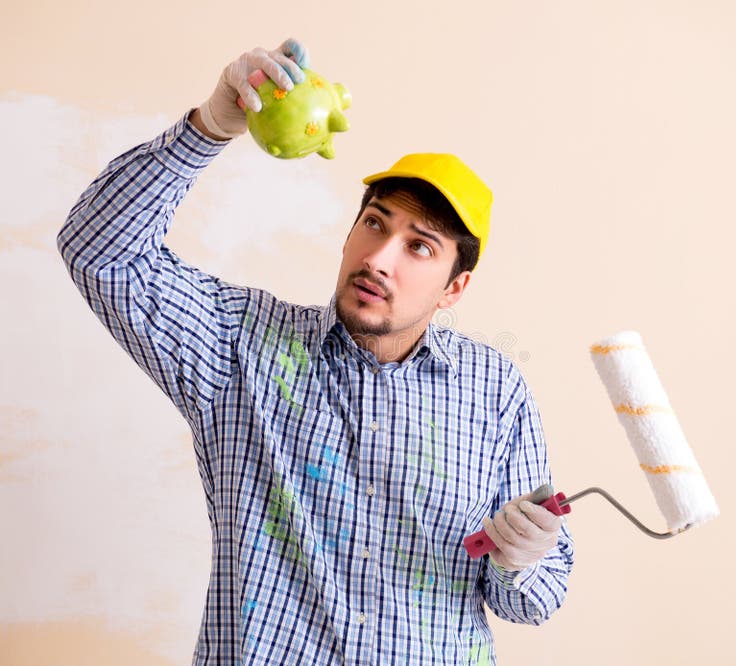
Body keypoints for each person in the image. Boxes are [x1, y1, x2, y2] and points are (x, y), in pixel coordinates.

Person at [57, 38, 574, 666]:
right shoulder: (240, 344)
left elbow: (537, 599)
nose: (379, 259)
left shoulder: (496, 392)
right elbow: (97, 249)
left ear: (454, 288)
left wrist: (522, 560)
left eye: (420, 247)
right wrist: (210, 127)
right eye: (376, 224)